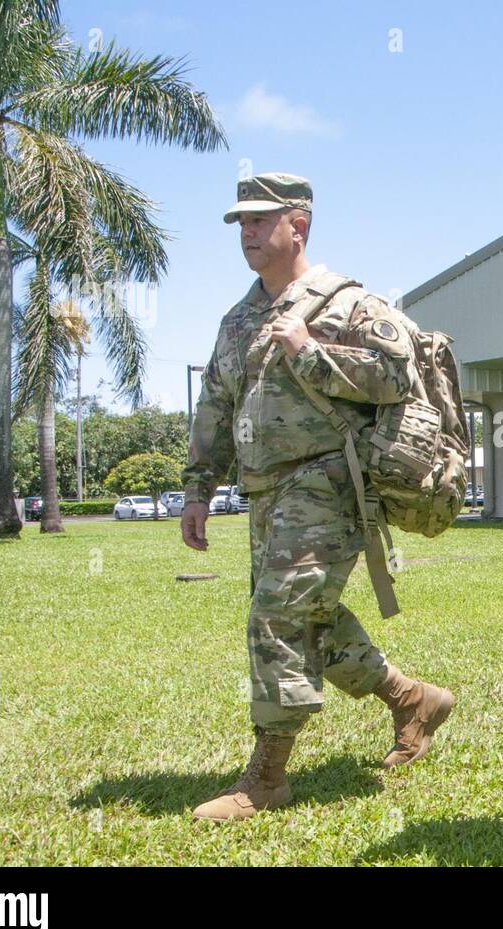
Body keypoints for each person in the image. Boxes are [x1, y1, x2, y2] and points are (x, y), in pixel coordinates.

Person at [182, 172, 454, 822]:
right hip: (265, 492)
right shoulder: (239, 318)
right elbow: (216, 405)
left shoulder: (349, 304)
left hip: (329, 483)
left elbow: (398, 374)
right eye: (240, 223)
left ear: (297, 225)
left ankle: (267, 778)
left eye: (258, 220)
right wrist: (197, 487)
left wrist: (311, 354)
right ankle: (413, 700)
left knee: (276, 617)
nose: (246, 233)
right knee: (314, 620)